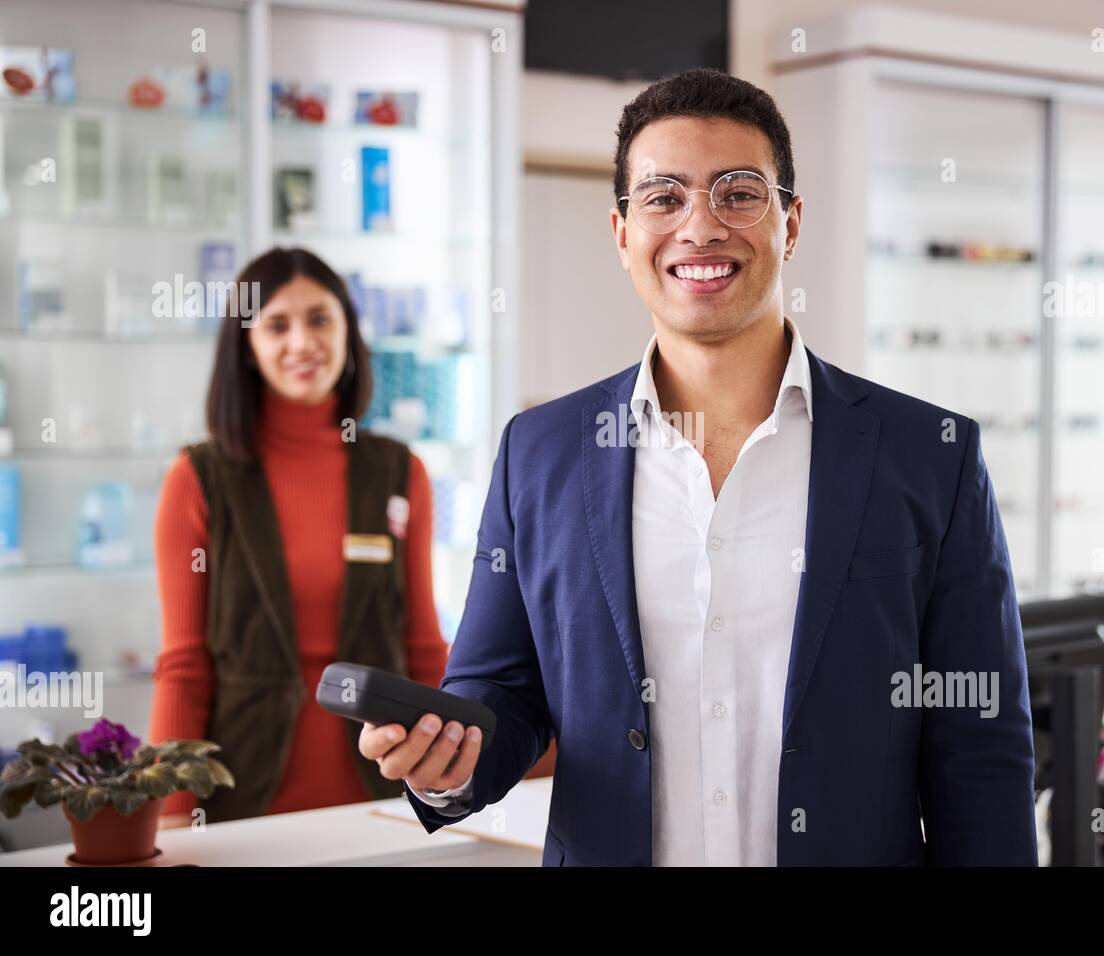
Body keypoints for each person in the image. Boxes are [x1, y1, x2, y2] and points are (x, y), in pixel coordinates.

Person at [359, 68, 1038, 865]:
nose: (700, 226)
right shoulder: (539, 454)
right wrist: (446, 765)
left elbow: (981, 752)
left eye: (739, 193)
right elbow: (501, 697)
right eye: (663, 197)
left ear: (790, 222)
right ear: (622, 233)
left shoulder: (929, 456)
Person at [150, 247, 450, 827]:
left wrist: (452, 783)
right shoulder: (199, 479)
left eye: (319, 318)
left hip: (381, 801)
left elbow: (423, 650)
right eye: (277, 325)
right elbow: (184, 668)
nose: (302, 343)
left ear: (347, 330)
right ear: (247, 345)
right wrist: (170, 815)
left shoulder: (397, 471)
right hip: (241, 805)